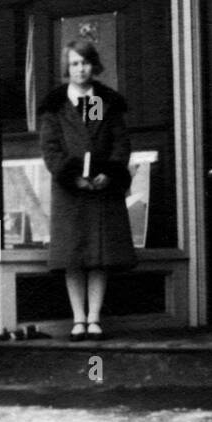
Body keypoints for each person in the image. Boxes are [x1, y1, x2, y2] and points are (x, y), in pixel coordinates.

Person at [38, 39, 137, 341]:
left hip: (102, 190)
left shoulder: (106, 102)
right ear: (67, 69)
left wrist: (109, 173)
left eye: (85, 63)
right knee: (73, 256)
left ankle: (94, 318)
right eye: (74, 64)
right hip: (71, 193)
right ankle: (77, 319)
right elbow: (50, 148)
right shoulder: (55, 106)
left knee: (99, 255)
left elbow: (120, 144)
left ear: (94, 65)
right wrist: (72, 176)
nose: (80, 69)